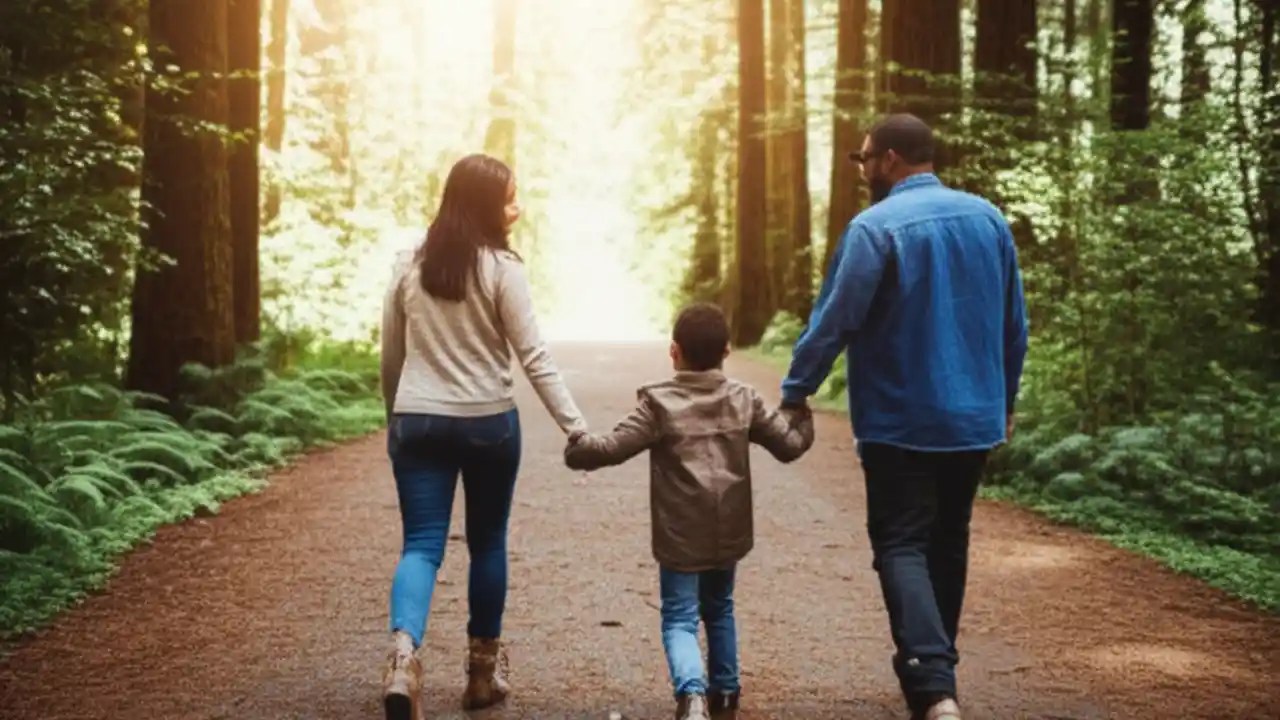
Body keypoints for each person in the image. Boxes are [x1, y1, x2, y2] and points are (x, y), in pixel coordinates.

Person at [779, 114, 1029, 720]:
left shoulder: (874, 228)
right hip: (972, 418)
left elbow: (836, 320)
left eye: (864, 159)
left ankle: (932, 684)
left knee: (901, 542)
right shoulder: (988, 219)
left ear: (889, 159)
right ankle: (937, 668)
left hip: (900, 420)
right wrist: (1007, 402)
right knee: (948, 542)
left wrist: (796, 390)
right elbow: (1013, 327)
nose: (863, 170)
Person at [378, 153, 588, 720]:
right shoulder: (503, 269)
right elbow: (534, 358)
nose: (516, 208)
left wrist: (395, 418)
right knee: (487, 542)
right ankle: (480, 677)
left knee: (421, 545)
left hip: (418, 419)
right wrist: (576, 427)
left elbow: (391, 353)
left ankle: (402, 660)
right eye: (509, 198)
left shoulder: (408, 264)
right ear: (485, 205)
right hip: (488, 424)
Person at [564, 302, 814, 720]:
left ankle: (692, 694)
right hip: (729, 529)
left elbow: (611, 448)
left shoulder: (660, 404)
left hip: (680, 534)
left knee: (680, 616)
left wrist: (577, 449)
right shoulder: (744, 399)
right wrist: (803, 417)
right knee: (720, 606)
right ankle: (727, 691)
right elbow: (789, 445)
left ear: (674, 351)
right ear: (727, 352)